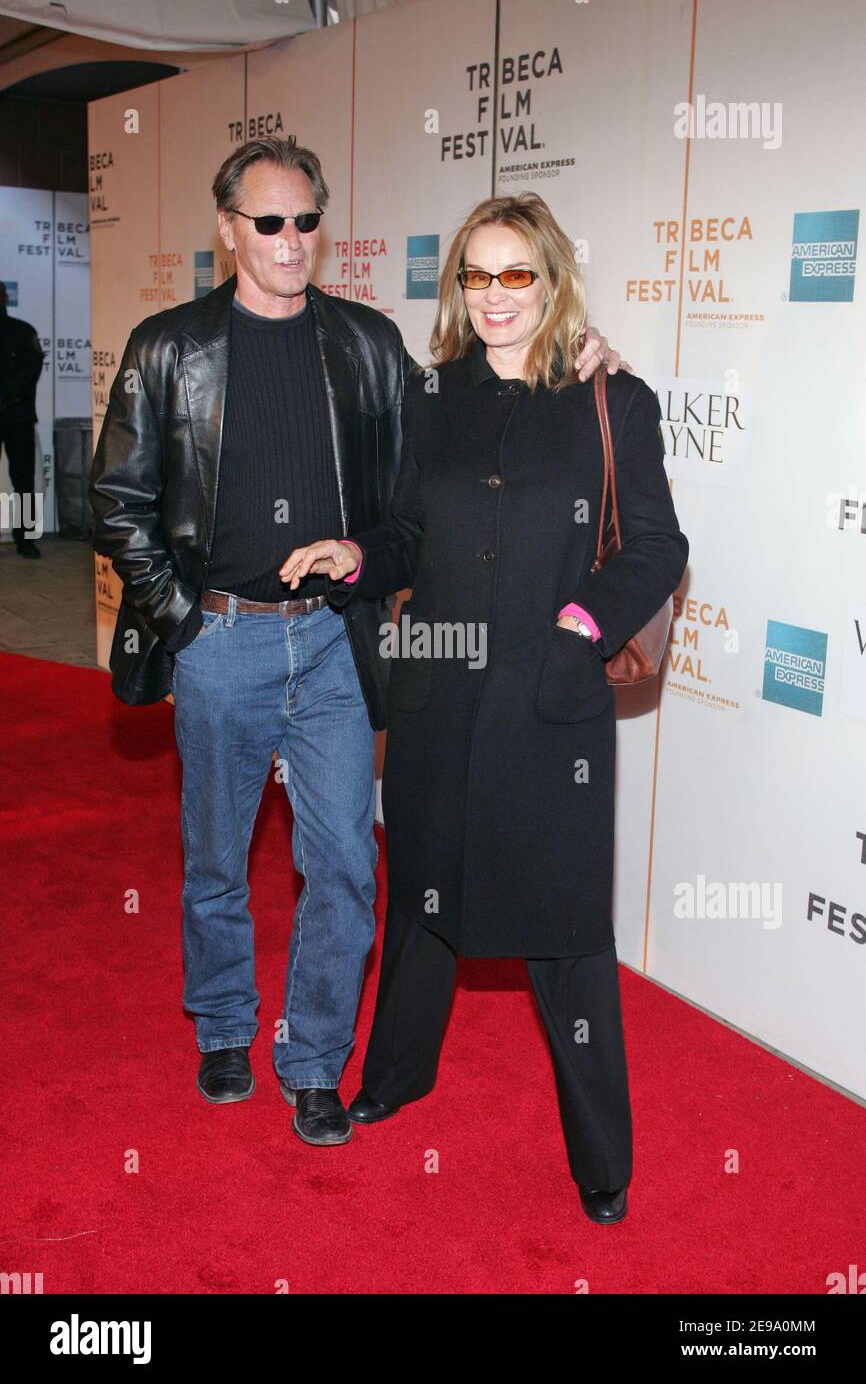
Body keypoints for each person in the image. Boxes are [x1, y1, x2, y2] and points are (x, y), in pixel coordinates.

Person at [89, 134, 624, 1149]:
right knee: (215, 859)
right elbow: (116, 503)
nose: (292, 241)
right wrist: (180, 619)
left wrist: (586, 363)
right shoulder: (169, 347)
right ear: (227, 230)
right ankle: (222, 1026)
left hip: (334, 645)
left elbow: (471, 411)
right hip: (222, 642)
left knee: (344, 864)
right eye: (270, 222)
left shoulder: (368, 345)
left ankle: (313, 1062)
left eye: (306, 221)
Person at [280, 190, 689, 1219]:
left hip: (551, 715)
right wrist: (359, 553)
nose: (496, 295)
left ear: (551, 280)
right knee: (422, 904)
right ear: (458, 287)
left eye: (517, 274)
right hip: (437, 698)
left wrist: (579, 631)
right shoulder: (432, 396)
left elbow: (655, 546)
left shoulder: (612, 401)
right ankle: (392, 1077)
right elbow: (412, 535)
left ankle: (602, 1162)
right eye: (476, 274)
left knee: (563, 938)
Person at [0, 281, 45, 558]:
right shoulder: (22, 330)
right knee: (22, 480)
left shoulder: (23, 331)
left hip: (18, 416)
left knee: (24, 480)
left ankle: (26, 538)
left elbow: (31, 372)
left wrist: (5, 399)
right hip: (17, 413)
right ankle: (24, 539)